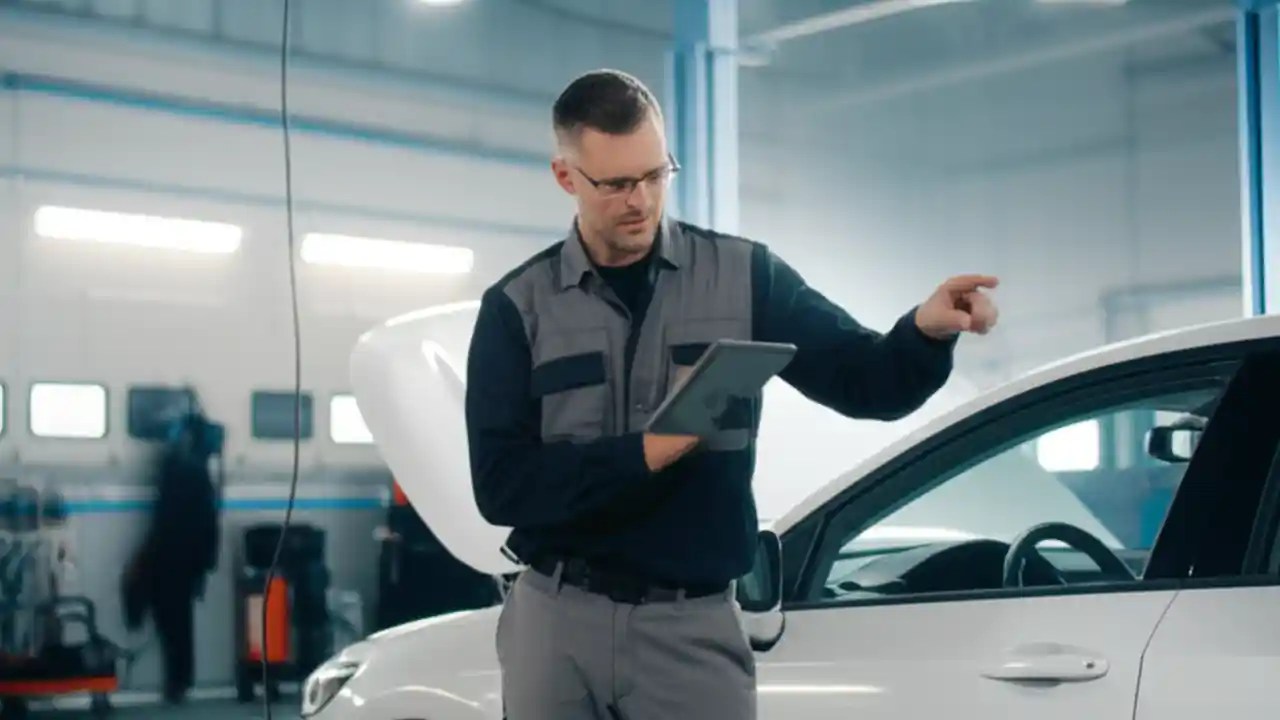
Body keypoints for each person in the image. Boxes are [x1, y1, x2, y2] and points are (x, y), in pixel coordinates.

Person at [464, 69, 999, 720]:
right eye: (617, 183)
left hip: (690, 628)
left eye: (657, 175)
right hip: (554, 626)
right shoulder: (517, 308)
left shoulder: (747, 279)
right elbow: (501, 487)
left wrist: (924, 333)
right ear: (565, 177)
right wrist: (647, 452)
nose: (641, 200)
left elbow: (867, 381)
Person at [123, 410, 221, 704]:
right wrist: (206, 563)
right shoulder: (197, 472)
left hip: (171, 557)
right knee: (179, 623)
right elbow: (207, 523)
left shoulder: (178, 470)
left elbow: (166, 521)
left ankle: (178, 681)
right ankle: (179, 681)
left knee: (174, 623)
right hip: (184, 560)